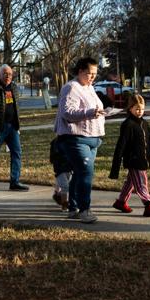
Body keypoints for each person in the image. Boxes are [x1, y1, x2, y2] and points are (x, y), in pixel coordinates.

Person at [55, 56, 107, 224]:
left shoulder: (90, 88)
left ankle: (73, 208)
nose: (92, 77)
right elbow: (67, 113)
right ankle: (85, 210)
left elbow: (94, 109)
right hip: (76, 138)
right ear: (80, 71)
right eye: (89, 73)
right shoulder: (71, 87)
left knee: (79, 173)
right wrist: (91, 112)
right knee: (86, 173)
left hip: (93, 138)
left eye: (95, 74)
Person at [109, 94, 150, 217]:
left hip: (144, 161)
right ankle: (149, 205)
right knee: (141, 184)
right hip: (133, 161)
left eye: (142, 109)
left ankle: (120, 202)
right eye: (137, 109)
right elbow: (121, 146)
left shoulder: (144, 124)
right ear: (130, 109)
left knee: (131, 183)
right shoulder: (128, 124)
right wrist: (115, 169)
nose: (140, 112)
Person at [49, 137, 72, 210]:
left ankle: (58, 194)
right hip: (60, 168)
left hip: (70, 167)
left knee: (67, 183)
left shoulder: (72, 141)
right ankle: (65, 204)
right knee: (65, 186)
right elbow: (52, 158)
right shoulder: (56, 142)